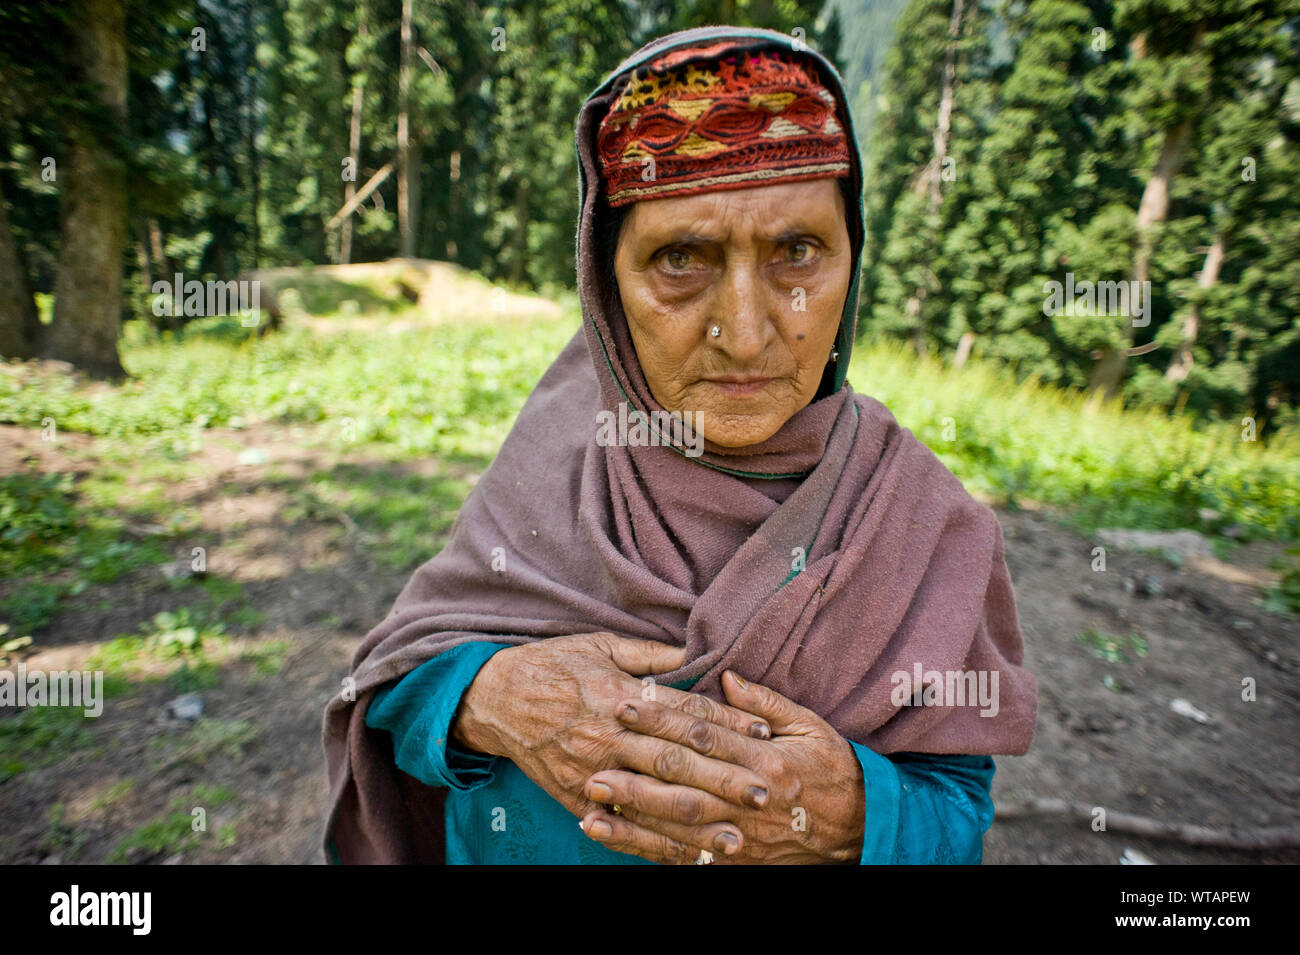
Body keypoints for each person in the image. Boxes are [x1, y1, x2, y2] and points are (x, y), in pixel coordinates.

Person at [322, 25, 1038, 865]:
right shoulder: (557, 454)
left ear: (852, 260)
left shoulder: (918, 518)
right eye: (680, 258)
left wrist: (852, 814)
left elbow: (957, 807)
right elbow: (396, 686)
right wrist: (488, 697)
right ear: (605, 280)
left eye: (798, 252)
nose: (744, 332)